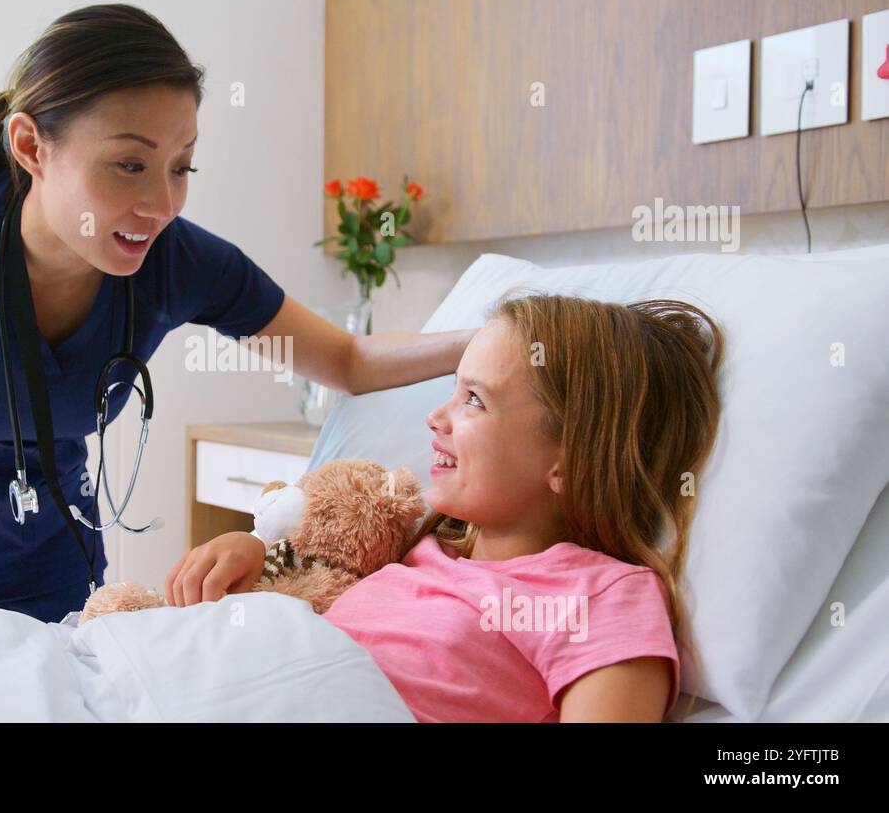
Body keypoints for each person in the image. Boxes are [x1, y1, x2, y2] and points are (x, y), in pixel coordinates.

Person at [0, 3, 473, 623]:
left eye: (181, 167)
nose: (160, 203)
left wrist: (488, 340)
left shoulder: (174, 260)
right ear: (31, 146)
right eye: (129, 164)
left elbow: (346, 361)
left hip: (44, 563)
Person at [167, 292, 724, 722]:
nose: (436, 417)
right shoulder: (414, 549)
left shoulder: (601, 596)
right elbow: (313, 586)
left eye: (474, 400)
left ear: (568, 461)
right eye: (454, 391)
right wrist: (260, 554)